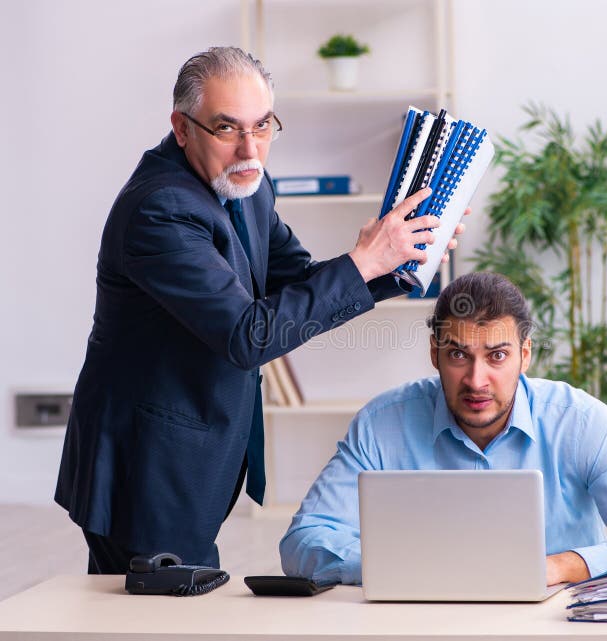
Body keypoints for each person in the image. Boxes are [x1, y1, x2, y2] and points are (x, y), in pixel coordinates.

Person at [55, 46, 465, 574]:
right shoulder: (160, 211)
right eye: (228, 129)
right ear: (182, 128)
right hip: (144, 467)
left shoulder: (248, 186)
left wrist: (398, 257)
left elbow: (296, 280)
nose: (251, 149)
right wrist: (363, 263)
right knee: (152, 620)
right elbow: (249, 335)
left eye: (263, 125)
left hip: (189, 453)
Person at [279, 272, 607, 586]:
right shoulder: (382, 423)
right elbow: (305, 542)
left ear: (525, 355)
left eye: (497, 356)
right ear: (434, 353)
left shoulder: (581, 421)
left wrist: (559, 566)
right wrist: (415, 567)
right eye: (459, 355)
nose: (477, 380)